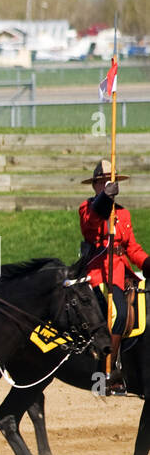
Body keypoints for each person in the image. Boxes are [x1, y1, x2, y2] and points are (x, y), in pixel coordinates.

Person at [79, 159, 145, 395]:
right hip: (98, 271)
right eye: (103, 182)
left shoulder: (124, 214)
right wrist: (104, 200)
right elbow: (90, 226)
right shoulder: (87, 208)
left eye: (111, 181)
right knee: (117, 311)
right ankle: (108, 372)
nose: (108, 184)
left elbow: (132, 248)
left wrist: (146, 261)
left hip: (121, 272)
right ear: (95, 185)